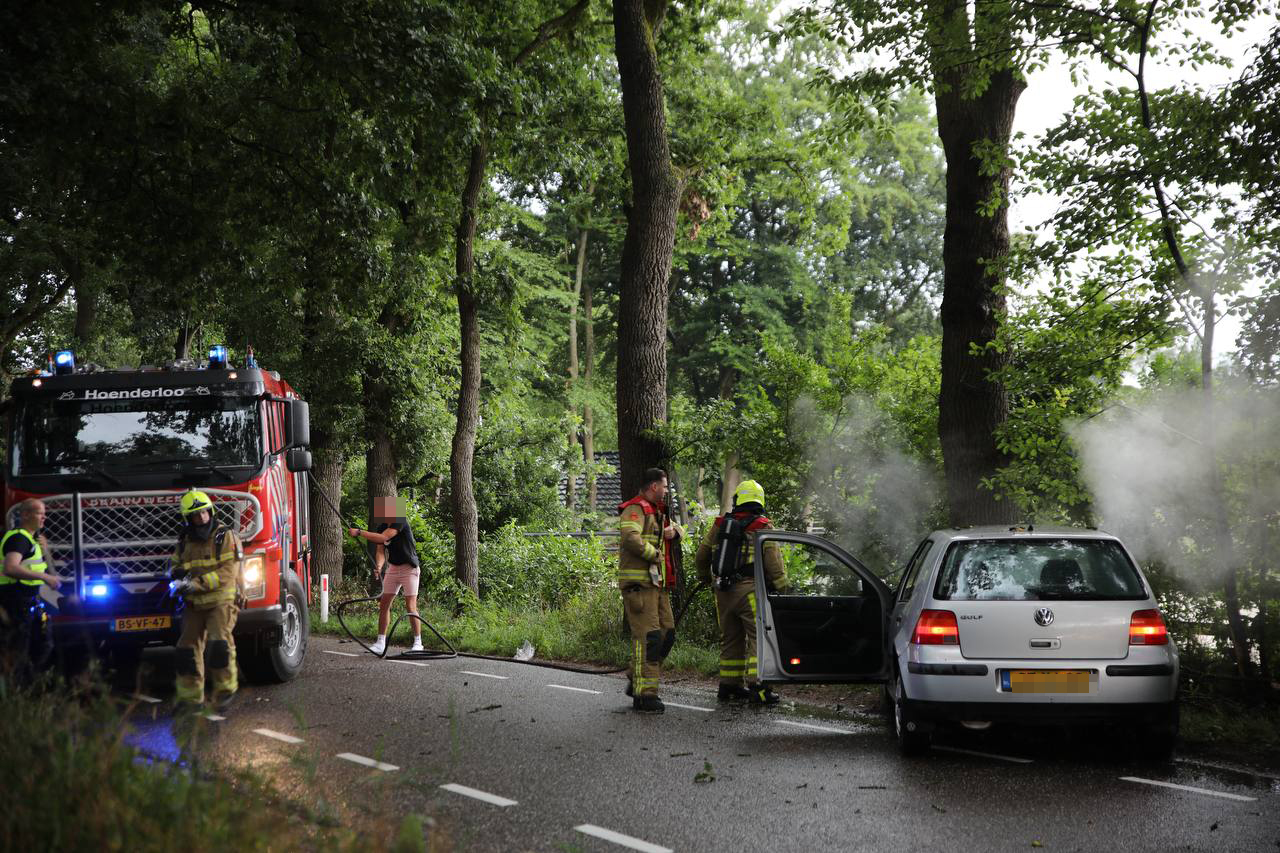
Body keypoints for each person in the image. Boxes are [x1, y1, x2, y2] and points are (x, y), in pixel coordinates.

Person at [695, 479, 787, 705]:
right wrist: (783, 589)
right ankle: (759, 688)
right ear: (759, 499)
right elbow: (774, 564)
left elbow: (701, 555)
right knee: (759, 637)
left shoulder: (720, 525)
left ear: (738, 499)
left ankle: (729, 686)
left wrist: (706, 579)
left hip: (723, 592)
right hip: (749, 591)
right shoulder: (763, 527)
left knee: (730, 639)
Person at [617, 467, 683, 713]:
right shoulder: (636, 509)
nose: (667, 491)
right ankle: (645, 695)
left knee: (667, 634)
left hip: (658, 587)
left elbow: (681, 530)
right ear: (654, 486)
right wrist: (653, 554)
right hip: (640, 588)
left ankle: (637, 677)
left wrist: (673, 532)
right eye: (665, 487)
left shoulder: (658, 513)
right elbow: (630, 538)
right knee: (649, 639)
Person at [170, 490, 242, 709]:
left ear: (211, 511)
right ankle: (190, 699)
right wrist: (178, 578)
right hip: (193, 604)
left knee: (219, 644)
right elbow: (175, 565)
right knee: (186, 649)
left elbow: (228, 572)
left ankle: (225, 692)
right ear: (188, 518)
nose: (201, 518)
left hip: (220, 602)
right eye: (196, 515)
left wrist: (196, 584)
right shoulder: (184, 541)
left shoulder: (225, 536)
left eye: (204, 512)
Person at [349, 495, 422, 655]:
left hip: (410, 568)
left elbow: (384, 538)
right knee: (384, 603)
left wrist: (360, 532)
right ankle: (380, 642)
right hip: (393, 568)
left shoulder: (400, 521)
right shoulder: (382, 525)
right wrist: (380, 566)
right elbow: (381, 550)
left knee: (410, 606)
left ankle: (418, 643)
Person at [1, 499, 61, 668]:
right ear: (25, 515)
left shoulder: (31, 538)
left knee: (41, 643)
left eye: (44, 514)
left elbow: (42, 566)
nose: (44, 518)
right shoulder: (19, 538)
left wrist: (46, 550)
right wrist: (46, 578)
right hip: (15, 600)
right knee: (21, 648)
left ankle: (28, 684)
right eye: (39, 513)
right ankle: (19, 687)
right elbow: (10, 568)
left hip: (28, 599)